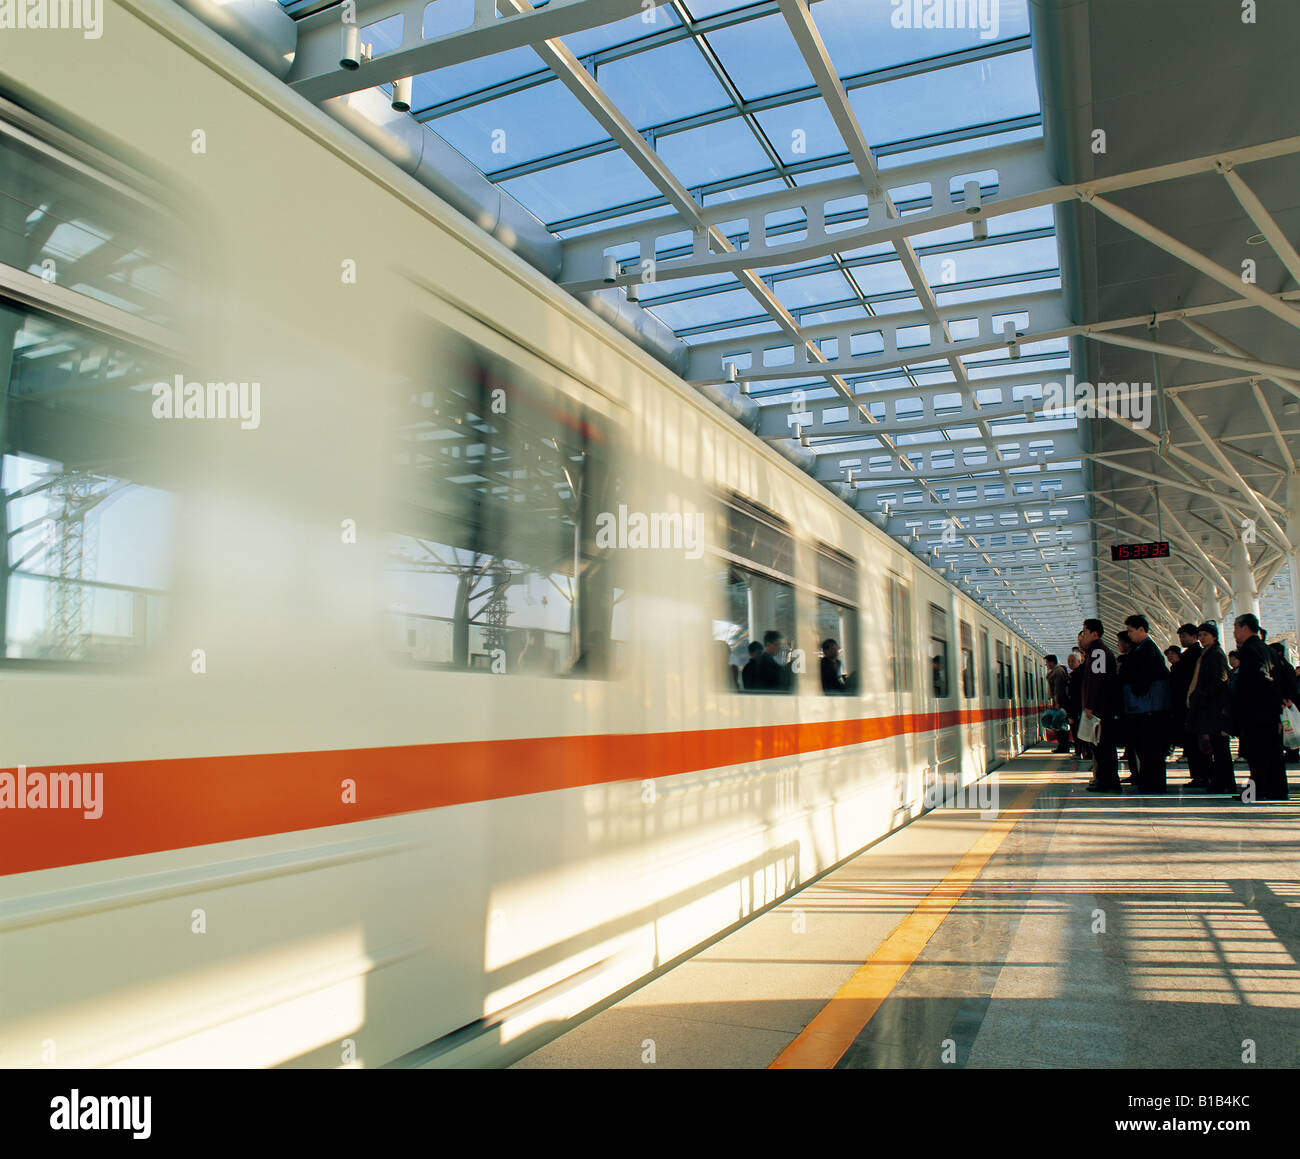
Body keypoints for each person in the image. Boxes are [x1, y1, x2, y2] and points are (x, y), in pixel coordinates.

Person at [1230, 614, 1290, 800]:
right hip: (1270, 711)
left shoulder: (1249, 650)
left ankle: (1254, 793)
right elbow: (1283, 675)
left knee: (1257, 754)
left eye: (1236, 628)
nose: (1234, 632)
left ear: (1245, 628)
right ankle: (1278, 791)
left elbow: (1257, 678)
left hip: (1256, 710)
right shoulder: (1267, 649)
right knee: (1273, 753)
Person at [1120, 614, 1172, 793]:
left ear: (1142, 629)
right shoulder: (1143, 648)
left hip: (1148, 708)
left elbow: (1143, 678)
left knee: (1150, 748)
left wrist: (1134, 690)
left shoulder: (1147, 650)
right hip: (1147, 708)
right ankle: (1150, 782)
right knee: (1147, 748)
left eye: (1131, 631)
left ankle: (1154, 784)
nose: (1129, 635)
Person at [1185, 621, 1236, 793]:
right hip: (1208, 707)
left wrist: (1202, 695)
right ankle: (1221, 781)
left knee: (1220, 747)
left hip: (1214, 708)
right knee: (1216, 746)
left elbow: (1220, 679)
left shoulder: (1216, 654)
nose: (1202, 638)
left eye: (1205, 635)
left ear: (1214, 636)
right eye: (1200, 635)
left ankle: (1224, 782)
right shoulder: (1206, 654)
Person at [1080, 619, 1121, 791]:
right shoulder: (1096, 651)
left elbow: (1096, 680)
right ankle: (1106, 780)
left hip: (1100, 709)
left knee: (1103, 746)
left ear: (1094, 634)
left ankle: (1108, 782)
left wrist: (1090, 705)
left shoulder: (1098, 652)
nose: (1082, 636)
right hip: (1102, 707)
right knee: (1102, 746)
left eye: (1084, 632)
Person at [1168, 624, 1203, 779]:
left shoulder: (1193, 655)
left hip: (1190, 705)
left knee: (1194, 743)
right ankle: (1199, 775)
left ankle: (1200, 775)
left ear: (1194, 637)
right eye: (1180, 636)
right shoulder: (1193, 654)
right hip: (1189, 704)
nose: (1181, 639)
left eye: (1184, 636)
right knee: (1193, 743)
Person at [1044, 653, 1070, 752]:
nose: (1046, 665)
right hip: (1058, 701)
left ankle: (1063, 746)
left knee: (1060, 724)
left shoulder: (1058, 672)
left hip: (1060, 702)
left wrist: (1057, 702)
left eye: (1047, 662)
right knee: (1059, 724)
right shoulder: (1056, 671)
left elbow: (1058, 688)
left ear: (1051, 662)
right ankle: (1063, 745)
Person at [1066, 649, 1086, 757]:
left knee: (1078, 730)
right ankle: (1079, 750)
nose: (1070, 663)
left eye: (1073, 661)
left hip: (1078, 708)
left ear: (1079, 662)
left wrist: (1072, 712)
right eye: (1069, 661)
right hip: (1076, 708)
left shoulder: (1078, 675)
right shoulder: (1073, 675)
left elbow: (1074, 695)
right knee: (1076, 730)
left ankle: (1080, 750)